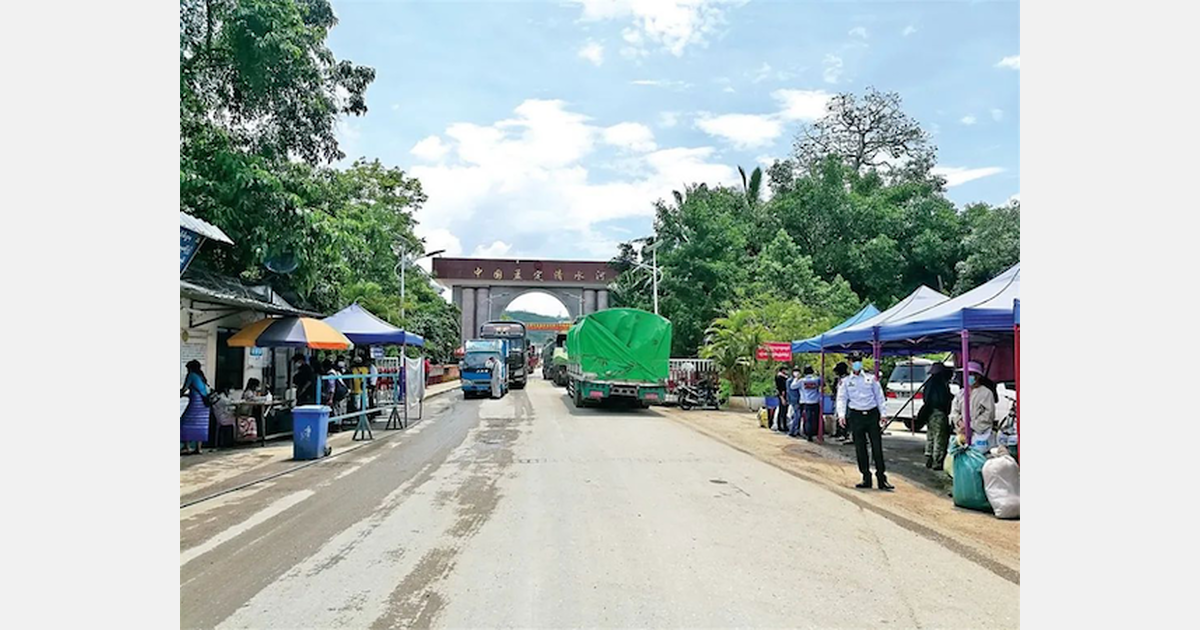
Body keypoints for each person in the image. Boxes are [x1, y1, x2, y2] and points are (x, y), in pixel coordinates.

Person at [837, 354, 892, 490]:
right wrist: (841, 415)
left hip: (872, 414)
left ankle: (881, 478)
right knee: (860, 448)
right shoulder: (846, 381)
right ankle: (866, 477)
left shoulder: (871, 378)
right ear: (849, 363)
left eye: (859, 361)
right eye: (854, 361)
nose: (857, 363)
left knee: (877, 447)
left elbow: (879, 397)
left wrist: (883, 414)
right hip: (856, 416)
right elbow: (842, 399)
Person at [950, 361, 996, 452]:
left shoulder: (986, 393)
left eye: (971, 374)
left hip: (980, 433)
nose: (968, 377)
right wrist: (960, 423)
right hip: (962, 432)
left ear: (978, 376)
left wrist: (971, 426)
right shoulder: (961, 393)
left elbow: (989, 414)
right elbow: (954, 410)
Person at [922, 362, 953, 470]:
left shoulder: (929, 383)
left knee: (931, 435)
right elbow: (943, 399)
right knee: (939, 437)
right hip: (939, 412)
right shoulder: (941, 384)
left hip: (929, 412)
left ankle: (929, 456)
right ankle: (937, 461)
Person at [180, 360, 211, 454]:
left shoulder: (191, 375)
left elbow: (185, 388)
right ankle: (198, 448)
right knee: (200, 425)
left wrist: (180, 394)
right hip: (205, 404)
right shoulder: (201, 377)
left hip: (196, 403)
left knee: (184, 422)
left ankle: (187, 447)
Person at [797, 366, 822, 441]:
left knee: (808, 419)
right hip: (816, 402)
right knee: (816, 418)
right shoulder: (816, 380)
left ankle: (809, 435)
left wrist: (796, 378)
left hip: (807, 402)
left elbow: (792, 387)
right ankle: (816, 433)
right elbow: (823, 384)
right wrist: (820, 375)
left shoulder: (802, 381)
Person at [830, 362, 851, 442]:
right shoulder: (838, 379)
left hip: (847, 401)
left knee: (847, 417)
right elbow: (834, 389)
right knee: (839, 416)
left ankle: (846, 434)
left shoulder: (848, 378)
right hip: (838, 400)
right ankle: (841, 433)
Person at [785, 367, 803, 437]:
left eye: (798, 371)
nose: (797, 373)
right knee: (797, 415)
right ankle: (792, 431)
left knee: (797, 415)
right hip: (795, 400)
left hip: (800, 400)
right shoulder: (790, 381)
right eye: (795, 371)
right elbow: (789, 391)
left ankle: (796, 430)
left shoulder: (799, 380)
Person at [770, 366, 788, 431]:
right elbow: (780, 388)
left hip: (784, 395)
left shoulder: (784, 377)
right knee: (782, 411)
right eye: (785, 370)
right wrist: (782, 397)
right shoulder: (779, 377)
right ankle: (781, 426)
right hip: (782, 395)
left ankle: (783, 425)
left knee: (784, 411)